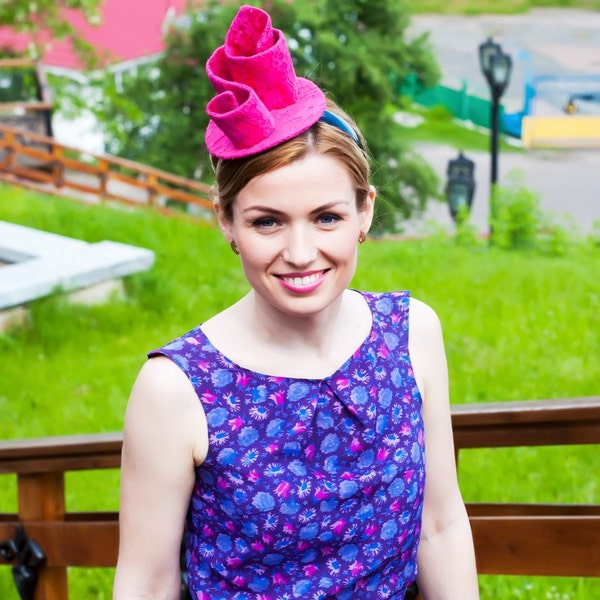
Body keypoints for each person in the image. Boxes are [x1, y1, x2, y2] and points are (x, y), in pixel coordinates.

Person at [113, 5, 478, 599]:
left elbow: (438, 524)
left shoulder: (412, 334)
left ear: (365, 212)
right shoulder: (175, 390)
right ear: (227, 223)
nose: (301, 251)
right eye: (267, 222)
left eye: (327, 216)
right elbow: (149, 582)